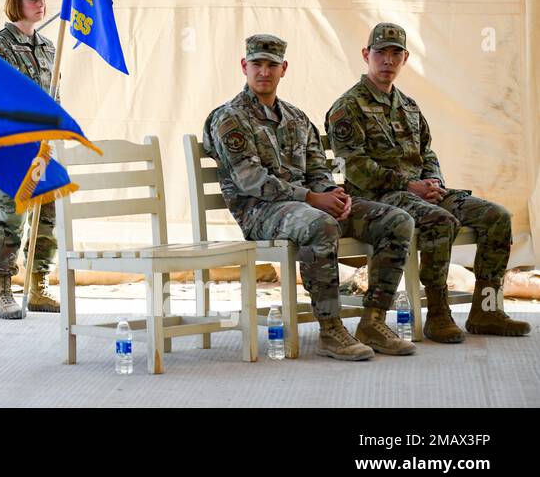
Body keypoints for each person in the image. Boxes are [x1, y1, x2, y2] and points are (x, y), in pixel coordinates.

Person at [203, 34, 416, 360]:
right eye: (257, 64)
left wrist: (333, 195)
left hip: (308, 208)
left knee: (396, 220)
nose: (264, 72)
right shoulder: (229, 118)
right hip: (262, 213)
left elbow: (319, 170)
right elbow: (252, 181)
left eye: (272, 65)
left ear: (283, 69)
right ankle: (330, 330)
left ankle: (373, 321)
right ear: (244, 67)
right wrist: (313, 199)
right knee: (320, 224)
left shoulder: (297, 118)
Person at [326, 22, 529, 341]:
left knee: (496, 217)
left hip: (422, 193)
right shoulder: (347, 107)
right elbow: (354, 167)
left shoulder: (408, 106)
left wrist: (433, 181)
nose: (388, 61)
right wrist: (409, 187)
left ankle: (486, 311)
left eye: (396, 54)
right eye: (381, 53)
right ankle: (438, 313)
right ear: (367, 55)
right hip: (379, 199)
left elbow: (427, 152)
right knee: (440, 221)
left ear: (405, 59)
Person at [0, 0, 59, 319]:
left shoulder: (47, 47)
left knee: (46, 216)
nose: (40, 4)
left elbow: (54, 95)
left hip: (42, 146)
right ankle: (1, 290)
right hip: (9, 146)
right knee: (9, 216)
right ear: (15, 2)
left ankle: (38, 285)